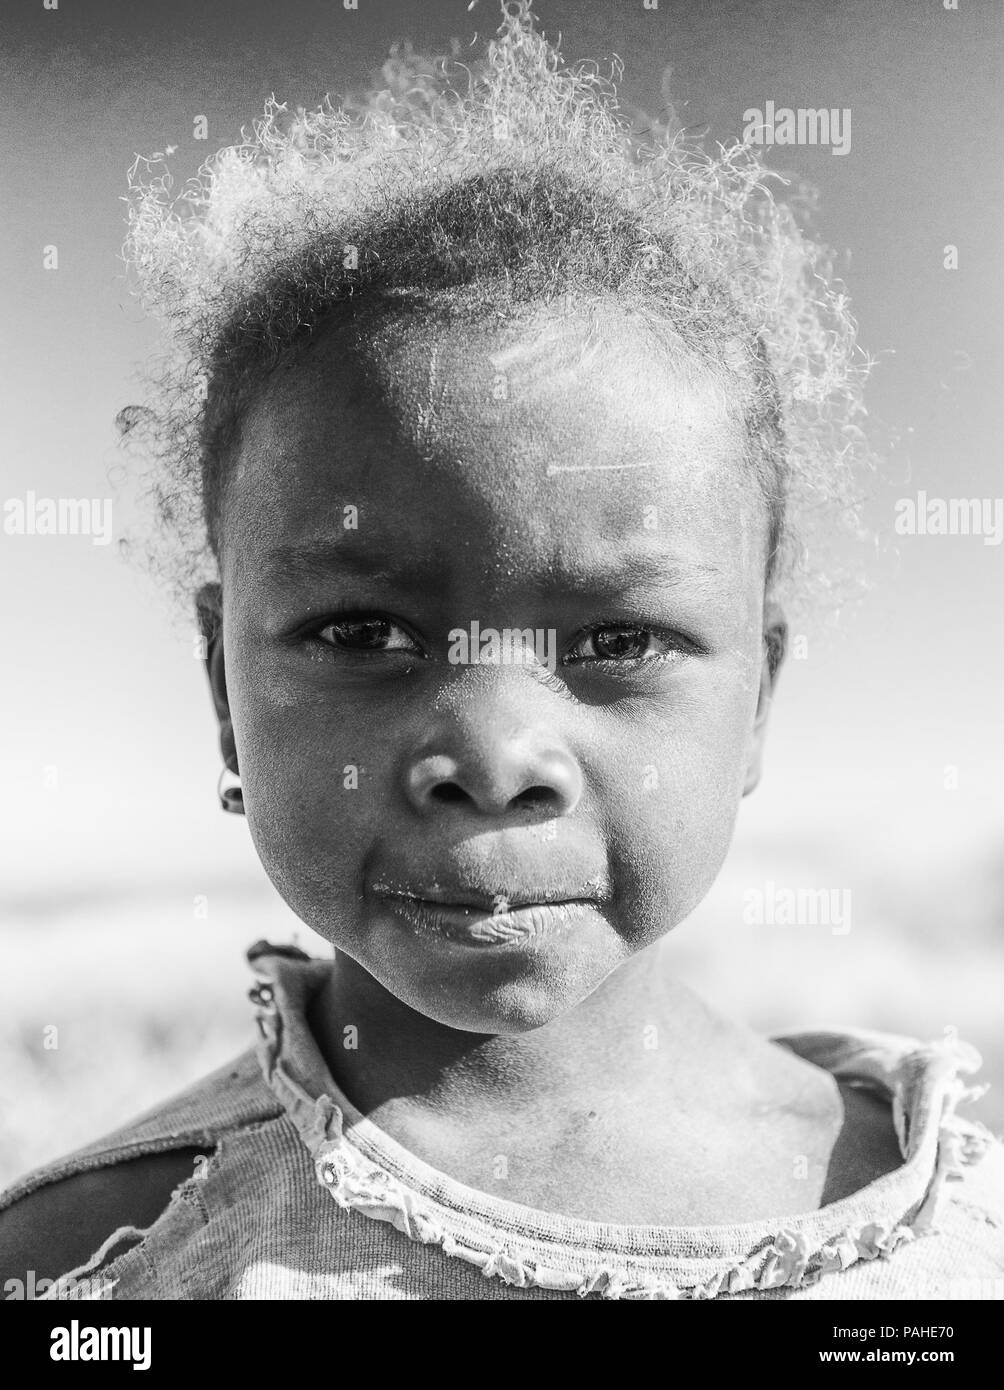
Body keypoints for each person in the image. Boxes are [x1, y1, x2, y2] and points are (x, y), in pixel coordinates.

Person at [2, 1, 1000, 1300]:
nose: (491, 753)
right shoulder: (92, 1264)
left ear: (757, 700)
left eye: (618, 638)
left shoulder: (939, 1231)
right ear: (222, 692)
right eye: (362, 632)